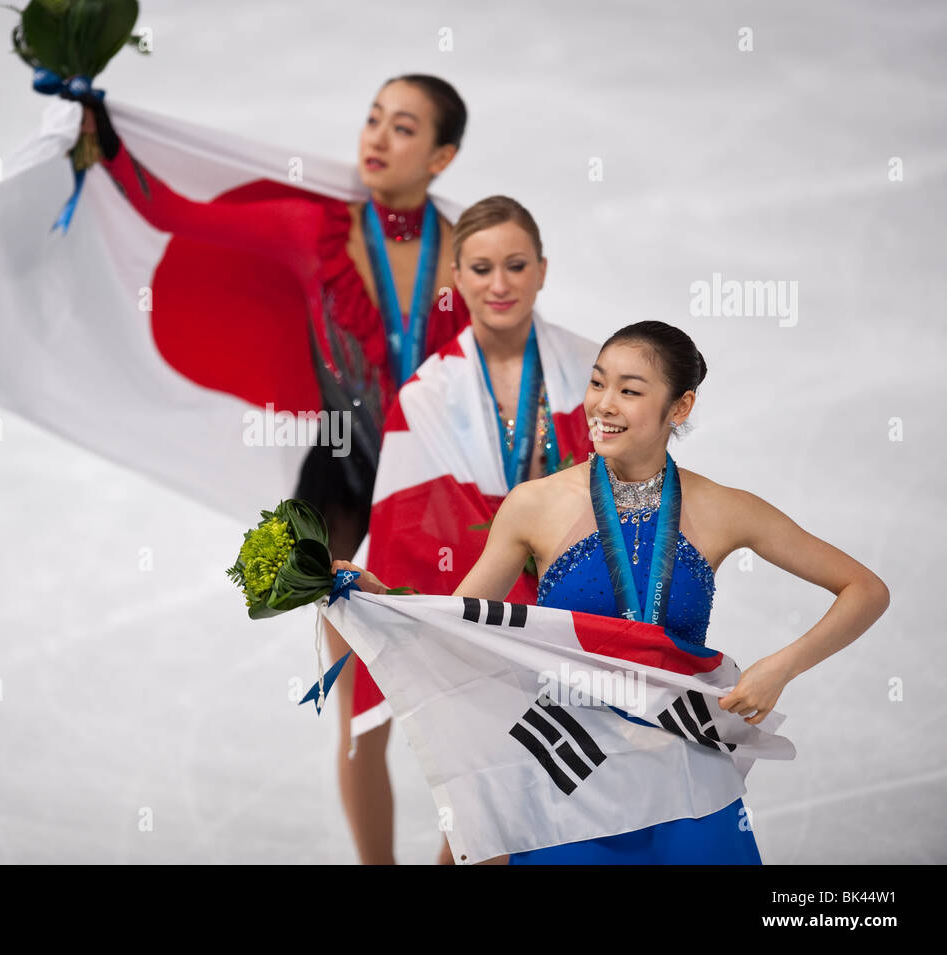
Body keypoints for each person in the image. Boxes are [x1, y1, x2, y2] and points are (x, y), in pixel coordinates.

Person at [79, 75, 472, 862]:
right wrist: (103, 132)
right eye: (371, 119)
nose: (375, 138)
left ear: (442, 156)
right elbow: (175, 213)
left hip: (445, 504)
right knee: (365, 713)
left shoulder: (473, 254)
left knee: (463, 725)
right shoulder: (311, 230)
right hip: (344, 495)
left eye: (402, 128)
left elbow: (525, 358)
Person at [335, 320, 891, 863]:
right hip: (570, 778)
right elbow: (460, 626)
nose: (603, 404)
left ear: (681, 408)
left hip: (685, 774)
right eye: (598, 382)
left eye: (629, 391)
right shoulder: (535, 504)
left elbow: (864, 589)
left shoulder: (725, 510)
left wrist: (782, 667)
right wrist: (383, 601)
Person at [332, 196, 597, 864]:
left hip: (572, 606)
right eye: (481, 267)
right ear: (457, 277)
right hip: (471, 603)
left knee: (512, 796)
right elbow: (408, 529)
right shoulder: (424, 394)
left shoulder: (596, 373)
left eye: (515, 265)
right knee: (492, 790)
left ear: (542, 270)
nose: (499, 283)